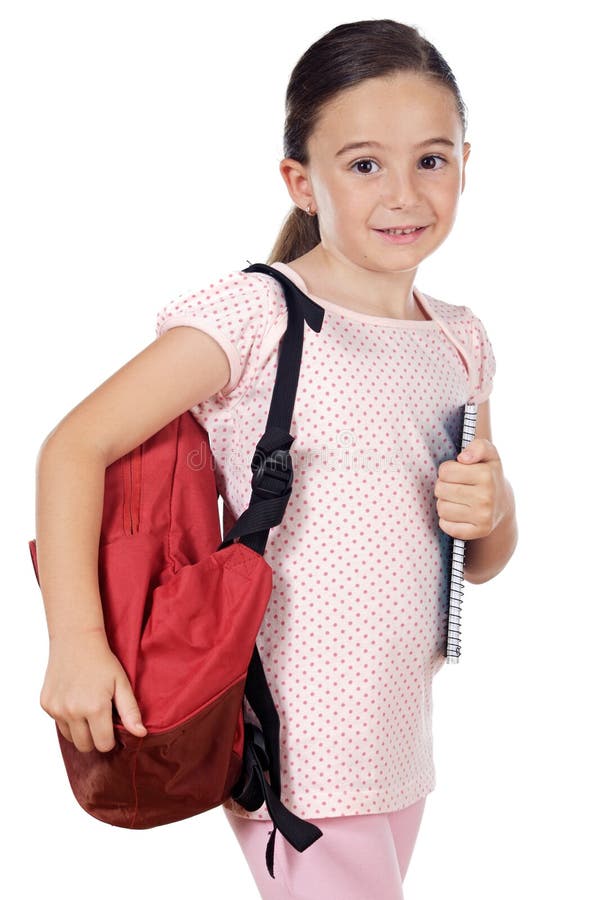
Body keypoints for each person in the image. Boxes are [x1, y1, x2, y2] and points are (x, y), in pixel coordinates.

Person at [34, 17, 518, 900]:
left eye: (432, 160)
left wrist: (495, 510)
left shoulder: (460, 338)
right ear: (302, 181)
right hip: (295, 741)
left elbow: (480, 561)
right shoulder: (257, 316)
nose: (404, 193)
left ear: (465, 163)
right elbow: (74, 447)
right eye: (364, 163)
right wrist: (76, 644)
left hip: (401, 737)